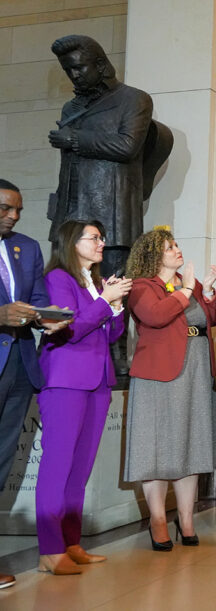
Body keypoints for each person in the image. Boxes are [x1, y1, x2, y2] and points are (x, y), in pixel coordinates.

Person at [36, 219, 131, 575]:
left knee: (80, 469)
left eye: (102, 238)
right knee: (57, 466)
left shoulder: (95, 282)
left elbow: (109, 336)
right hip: (65, 380)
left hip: (97, 381)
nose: (101, 243)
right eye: (94, 238)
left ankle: (71, 543)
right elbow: (71, 328)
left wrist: (116, 306)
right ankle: (49, 549)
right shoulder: (58, 279)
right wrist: (105, 300)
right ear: (72, 242)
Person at [124, 228, 216, 551]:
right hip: (158, 375)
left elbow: (211, 319)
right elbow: (155, 315)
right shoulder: (141, 287)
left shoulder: (184, 283)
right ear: (152, 254)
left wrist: (205, 293)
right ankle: (158, 519)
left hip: (194, 371)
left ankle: (187, 518)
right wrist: (186, 291)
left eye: (177, 244)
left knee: (190, 444)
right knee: (157, 447)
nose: (177, 250)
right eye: (169, 247)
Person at [46, 34, 169, 278]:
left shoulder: (134, 99)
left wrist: (74, 139)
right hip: (70, 220)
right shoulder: (71, 108)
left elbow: (127, 146)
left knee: (113, 298)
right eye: (68, 70)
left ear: (100, 65)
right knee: (65, 294)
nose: (74, 75)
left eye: (79, 67)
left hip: (113, 220)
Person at [0, 179, 69, 588]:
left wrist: (52, 319)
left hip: (21, 367)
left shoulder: (26, 247)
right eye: (6, 208)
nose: (14, 216)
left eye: (18, 210)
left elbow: (40, 301)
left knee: (2, 462)